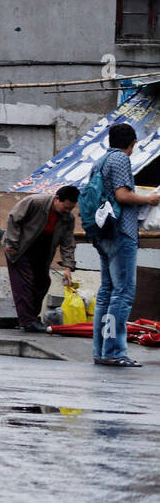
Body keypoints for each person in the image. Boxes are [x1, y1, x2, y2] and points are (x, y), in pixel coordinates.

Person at [92, 123, 160, 367]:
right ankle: (113, 351)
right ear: (131, 143)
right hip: (122, 232)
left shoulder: (99, 161)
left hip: (103, 234)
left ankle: (100, 350)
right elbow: (122, 196)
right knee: (122, 293)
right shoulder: (120, 159)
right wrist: (149, 199)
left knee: (106, 293)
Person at [1, 185, 78, 333]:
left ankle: (30, 317)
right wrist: (12, 243)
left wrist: (68, 267)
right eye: (66, 207)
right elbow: (14, 219)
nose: (67, 211)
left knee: (42, 282)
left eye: (71, 209)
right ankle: (28, 321)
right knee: (25, 283)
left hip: (42, 251)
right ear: (57, 199)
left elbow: (68, 242)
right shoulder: (35, 202)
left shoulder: (68, 217)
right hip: (19, 248)